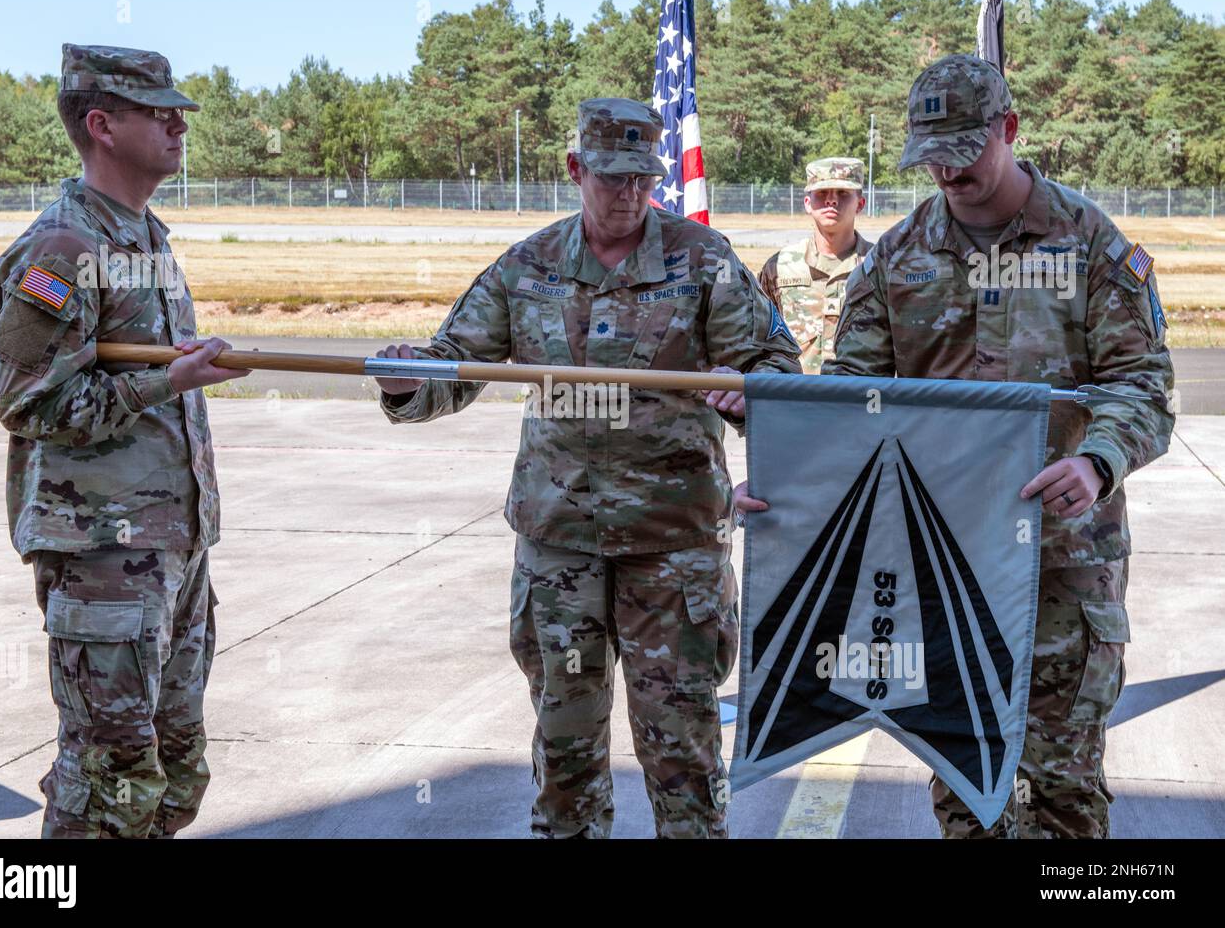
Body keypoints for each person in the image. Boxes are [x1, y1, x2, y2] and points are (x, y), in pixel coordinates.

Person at [738, 54, 1175, 838]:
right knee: (963, 788)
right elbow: (851, 404)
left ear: (1009, 129)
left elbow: (1140, 382)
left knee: (1065, 788)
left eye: (966, 148)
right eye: (930, 154)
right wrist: (781, 478)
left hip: (1062, 564)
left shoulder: (1087, 243)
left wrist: (1098, 459)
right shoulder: (897, 259)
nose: (946, 170)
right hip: (940, 568)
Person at [373, 98, 802, 838]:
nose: (629, 193)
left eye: (643, 177)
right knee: (564, 744)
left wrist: (747, 393)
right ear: (577, 170)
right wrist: (407, 379)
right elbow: (455, 363)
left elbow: (774, 368)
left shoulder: (704, 263)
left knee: (683, 751)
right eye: (612, 177)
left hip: (672, 548)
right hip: (561, 544)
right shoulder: (529, 266)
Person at [0, 43, 249, 838]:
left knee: (172, 769)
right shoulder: (62, 249)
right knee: (108, 781)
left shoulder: (145, 236)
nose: (178, 122)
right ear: (101, 125)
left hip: (172, 546)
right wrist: (167, 382)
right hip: (103, 554)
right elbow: (29, 401)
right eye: (155, 111)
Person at [757, 157, 873, 373]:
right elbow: (759, 338)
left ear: (860, 204)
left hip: (860, 399)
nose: (831, 201)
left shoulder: (879, 265)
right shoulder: (780, 266)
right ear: (807, 203)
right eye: (822, 193)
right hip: (795, 398)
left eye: (843, 193)